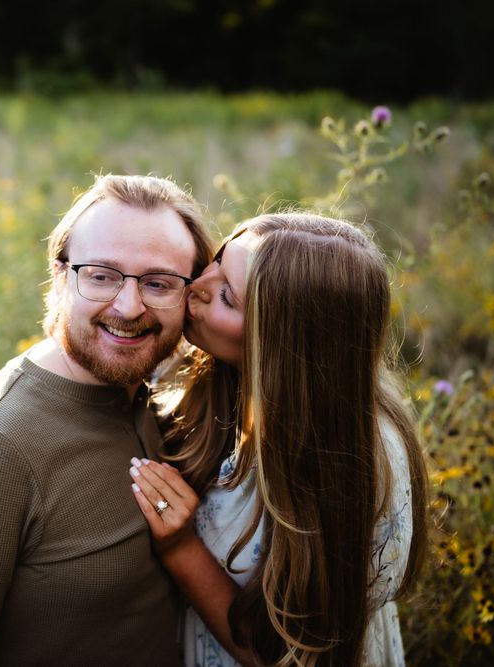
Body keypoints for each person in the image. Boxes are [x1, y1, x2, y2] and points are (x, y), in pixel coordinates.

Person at [0, 174, 214, 665]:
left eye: (158, 283)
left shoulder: (154, 392)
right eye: (101, 275)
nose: (129, 307)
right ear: (60, 274)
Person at [128, 213, 429, 666]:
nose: (197, 285)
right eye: (218, 261)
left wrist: (181, 549)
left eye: (227, 297)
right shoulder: (202, 374)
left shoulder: (355, 464)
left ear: (282, 347)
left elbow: (287, 653)